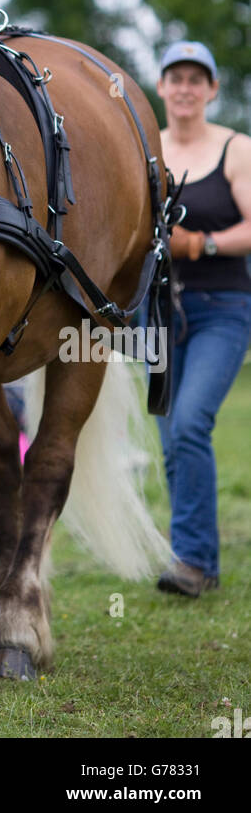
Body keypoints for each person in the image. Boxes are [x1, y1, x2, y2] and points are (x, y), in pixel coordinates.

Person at [157, 40, 251, 595]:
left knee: (191, 423)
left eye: (197, 78)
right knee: (172, 440)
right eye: (176, 78)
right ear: (163, 87)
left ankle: (191, 561)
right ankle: (196, 559)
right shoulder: (150, 147)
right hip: (159, 312)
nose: (186, 87)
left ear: (212, 89)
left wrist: (202, 244)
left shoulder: (237, 150)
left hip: (224, 308)